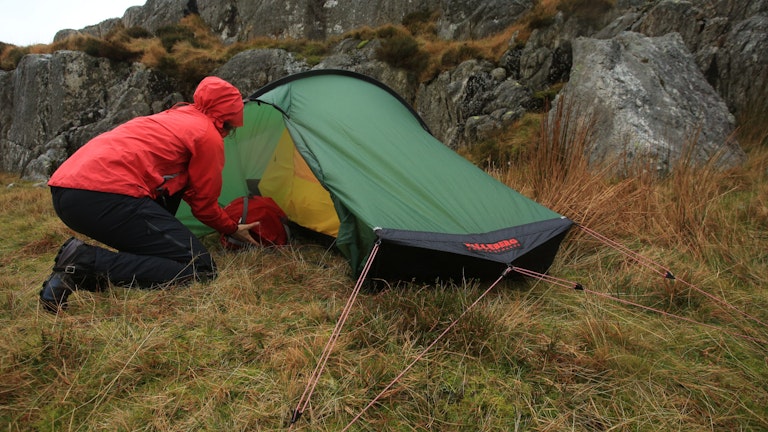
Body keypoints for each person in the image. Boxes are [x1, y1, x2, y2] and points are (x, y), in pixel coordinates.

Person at [40, 76, 260, 313]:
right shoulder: (207, 135)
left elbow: (176, 186)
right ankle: (82, 262)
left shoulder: (173, 117)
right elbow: (203, 204)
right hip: (105, 195)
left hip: (65, 192)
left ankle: (77, 276)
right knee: (200, 268)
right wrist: (230, 228)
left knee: (160, 249)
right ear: (231, 118)